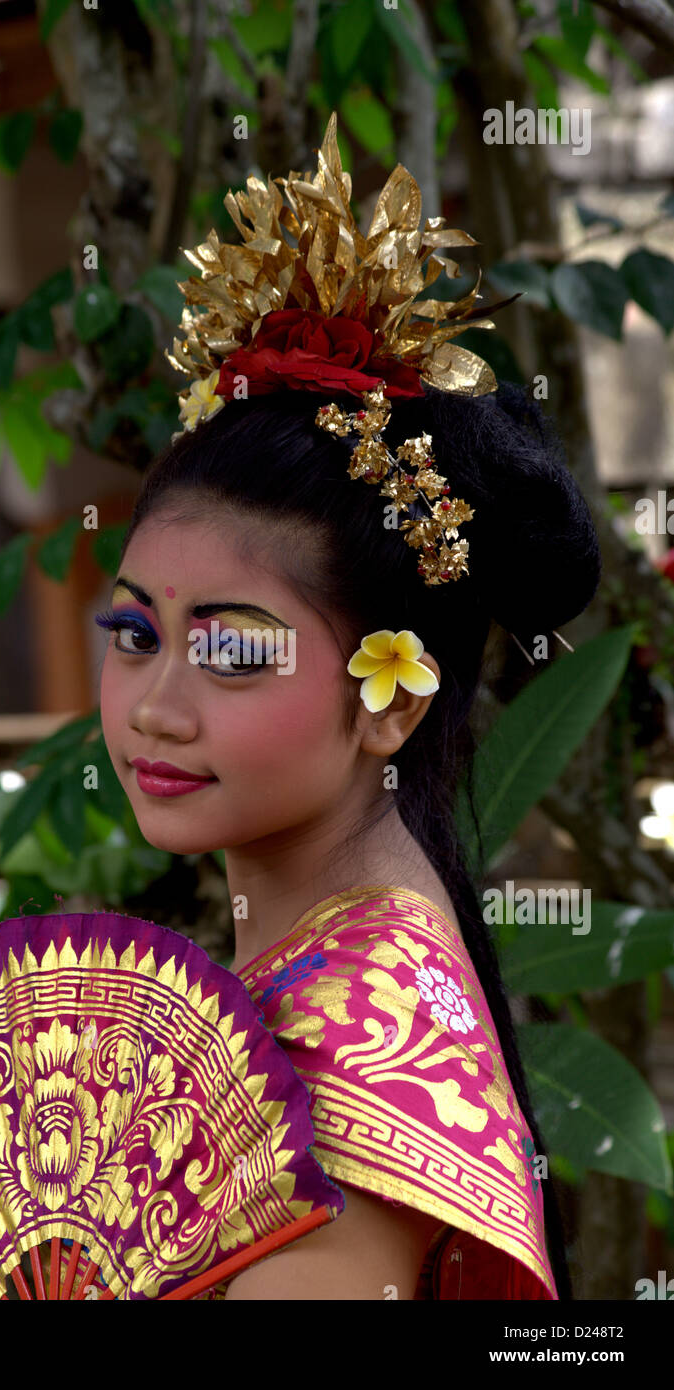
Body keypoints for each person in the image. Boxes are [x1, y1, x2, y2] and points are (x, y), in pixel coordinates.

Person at [96, 114, 600, 1300]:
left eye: (231, 650)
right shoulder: (335, 945)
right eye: (134, 633)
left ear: (389, 698)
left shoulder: (348, 1076)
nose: (153, 708)